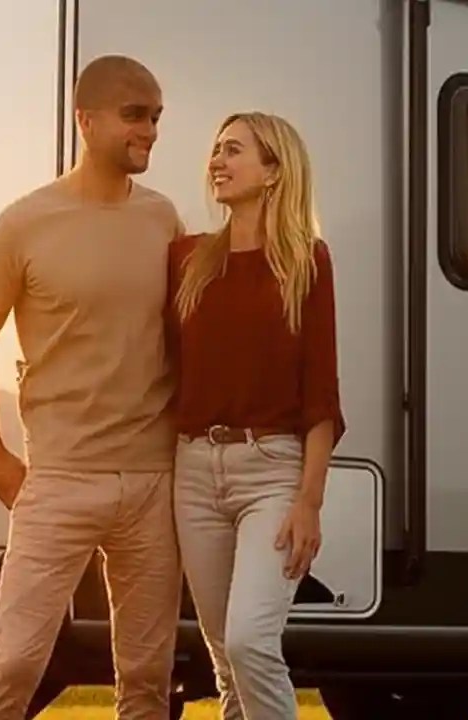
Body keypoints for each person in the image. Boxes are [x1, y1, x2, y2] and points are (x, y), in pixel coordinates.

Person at [0, 54, 185, 720]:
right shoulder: (25, 222)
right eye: (134, 114)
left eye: (156, 117)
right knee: (17, 663)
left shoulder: (163, 219)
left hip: (150, 480)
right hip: (58, 477)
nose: (149, 130)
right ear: (86, 120)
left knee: (146, 677)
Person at [164, 111, 346, 719]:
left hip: (272, 470)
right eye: (216, 149)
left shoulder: (307, 263)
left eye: (234, 150)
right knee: (224, 656)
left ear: (273, 171)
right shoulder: (187, 259)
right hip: (192, 470)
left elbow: (322, 394)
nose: (216, 160)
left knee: (249, 640)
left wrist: (309, 501)